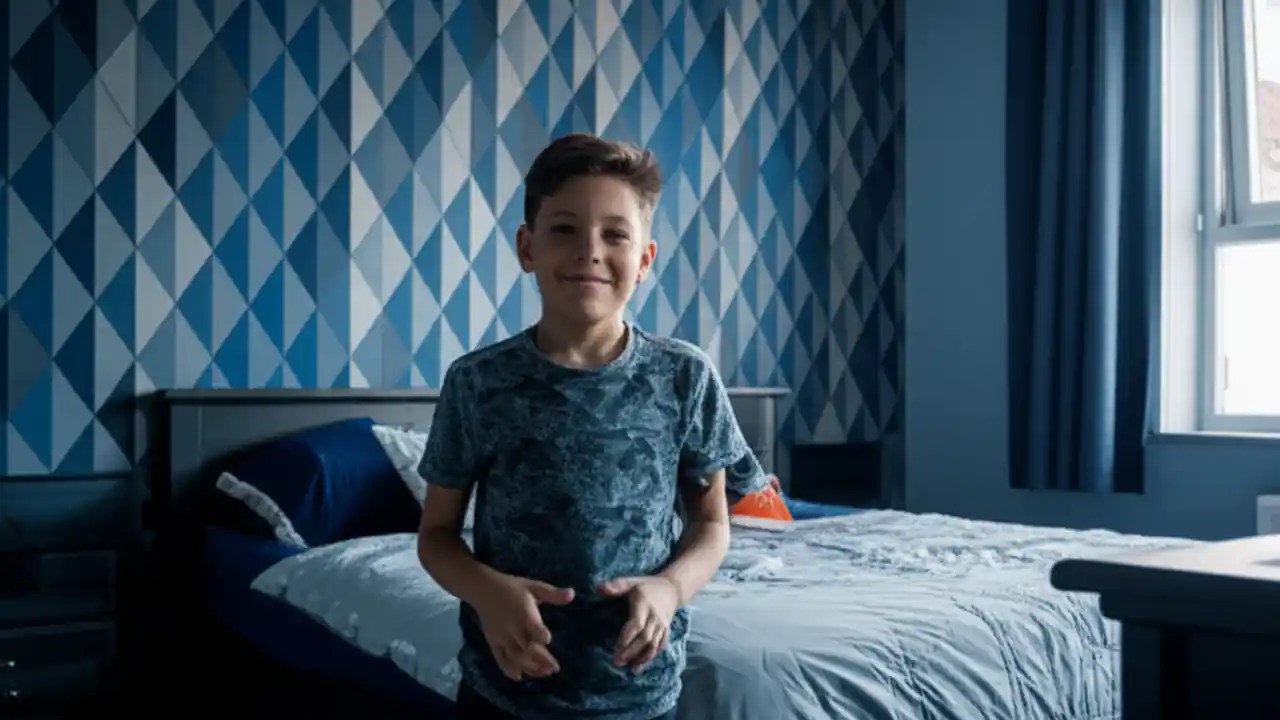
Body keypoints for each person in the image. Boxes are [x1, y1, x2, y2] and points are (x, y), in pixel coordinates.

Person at [415, 133, 768, 720]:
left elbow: (711, 523)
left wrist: (671, 588)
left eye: (615, 234)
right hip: (506, 688)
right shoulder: (478, 383)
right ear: (527, 248)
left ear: (646, 258)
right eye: (564, 230)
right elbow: (436, 536)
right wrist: (486, 592)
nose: (590, 251)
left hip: (640, 691)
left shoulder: (685, 376)